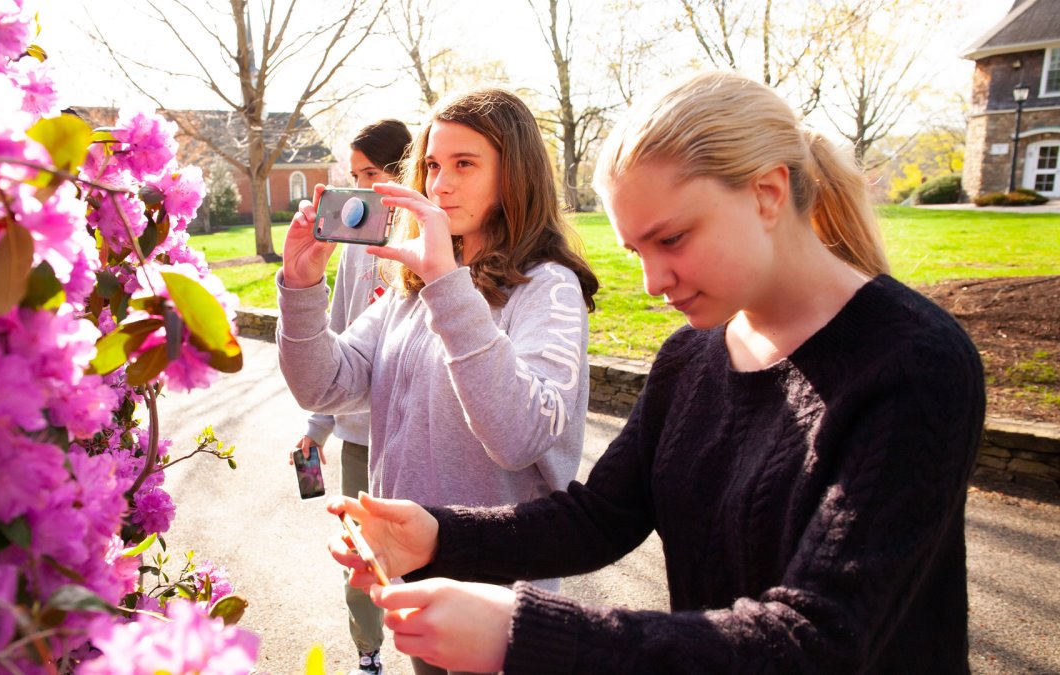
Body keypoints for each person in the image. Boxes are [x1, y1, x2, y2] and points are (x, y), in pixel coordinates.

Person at [326, 71, 986, 673]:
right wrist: (438, 534)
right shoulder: (691, 357)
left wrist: (523, 632)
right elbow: (598, 518)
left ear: (767, 193)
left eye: (670, 240)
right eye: (635, 249)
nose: (650, 282)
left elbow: (815, 640)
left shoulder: (913, 363)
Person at [278, 88, 600, 675]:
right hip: (413, 576)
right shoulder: (413, 291)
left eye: (465, 164)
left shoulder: (549, 287)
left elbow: (519, 436)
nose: (440, 184)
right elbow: (324, 386)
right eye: (432, 164)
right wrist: (300, 290)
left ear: (515, 175)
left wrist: (447, 284)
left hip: (499, 598)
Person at [287, 118, 412, 675]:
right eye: (355, 174)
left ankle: (429, 652)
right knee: (361, 556)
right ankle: (368, 653)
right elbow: (332, 342)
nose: (364, 184)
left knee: (419, 555)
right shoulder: (354, 248)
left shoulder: (433, 246)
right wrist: (316, 428)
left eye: (374, 172)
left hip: (413, 432)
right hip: (360, 436)